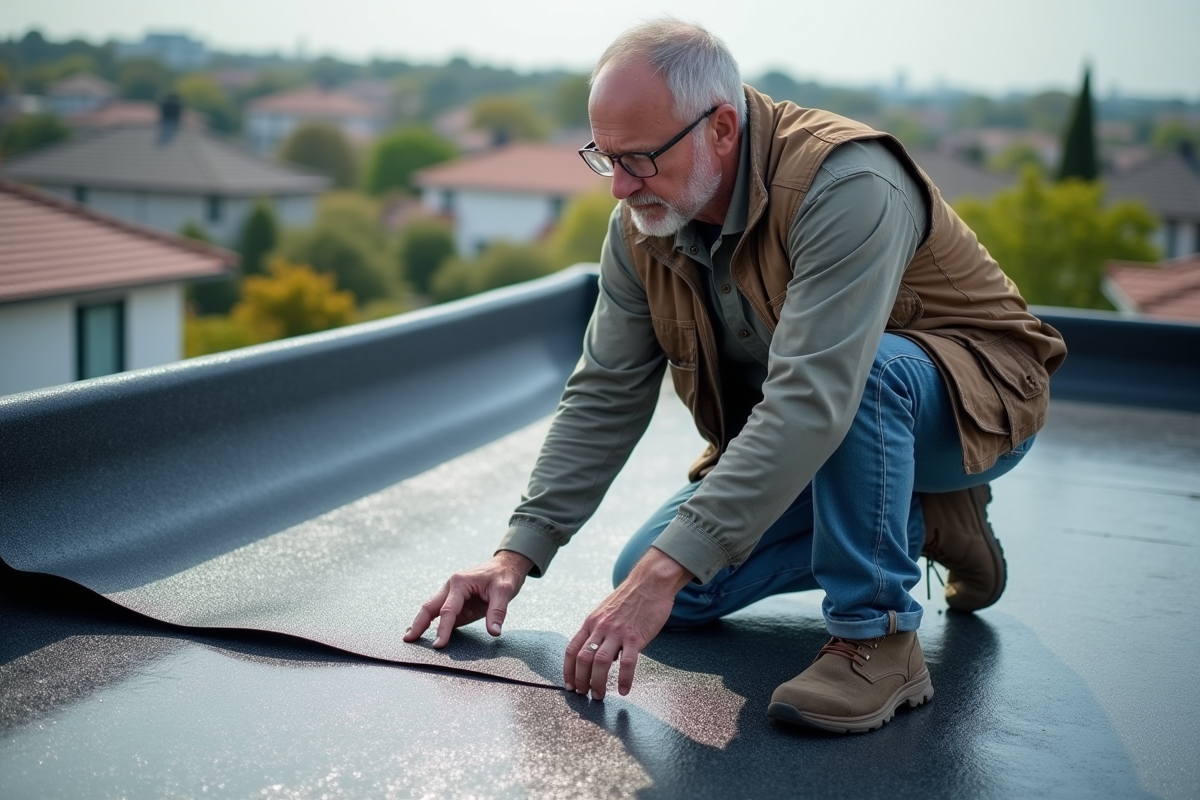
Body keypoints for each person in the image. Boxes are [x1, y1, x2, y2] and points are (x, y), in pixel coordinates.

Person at [405, 19, 1066, 734]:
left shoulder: (847, 183)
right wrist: (515, 556)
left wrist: (664, 571)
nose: (620, 187)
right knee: (676, 594)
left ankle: (877, 637)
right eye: (606, 158)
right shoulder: (643, 224)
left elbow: (815, 396)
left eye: (640, 159)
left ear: (721, 128)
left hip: (970, 406)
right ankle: (929, 517)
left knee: (864, 379)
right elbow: (605, 390)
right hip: (830, 422)